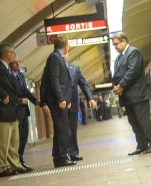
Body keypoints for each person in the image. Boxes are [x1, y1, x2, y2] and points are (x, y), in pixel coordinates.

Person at [112, 31, 151, 155]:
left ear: (124, 41)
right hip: (127, 96)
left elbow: (132, 72)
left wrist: (121, 86)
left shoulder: (133, 52)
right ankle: (141, 145)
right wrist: (115, 87)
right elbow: (116, 75)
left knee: (143, 120)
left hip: (138, 94)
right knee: (134, 122)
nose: (115, 47)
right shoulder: (118, 58)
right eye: (113, 45)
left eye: (117, 44)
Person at [0, 45, 28, 177]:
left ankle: (15, 164)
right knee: (3, 142)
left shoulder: (7, 69)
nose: (15, 56)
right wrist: (2, 95)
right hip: (2, 112)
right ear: (7, 54)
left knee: (13, 141)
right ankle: (3, 167)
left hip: (11, 111)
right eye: (13, 53)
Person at [41, 36, 75, 167]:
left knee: (61, 129)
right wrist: (61, 99)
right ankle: (62, 157)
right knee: (63, 129)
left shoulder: (57, 57)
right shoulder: (55, 58)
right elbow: (54, 80)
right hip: (57, 101)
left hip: (60, 100)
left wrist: (66, 99)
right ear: (65, 47)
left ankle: (58, 157)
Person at [65, 54, 96, 161]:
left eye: (65, 54)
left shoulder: (75, 69)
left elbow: (84, 84)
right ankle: (65, 154)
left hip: (73, 104)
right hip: (60, 105)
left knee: (73, 129)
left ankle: (73, 153)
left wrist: (90, 98)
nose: (64, 56)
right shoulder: (54, 69)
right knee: (64, 130)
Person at [10, 59, 38, 171]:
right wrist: (21, 100)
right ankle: (16, 162)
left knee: (24, 136)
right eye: (15, 62)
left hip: (24, 111)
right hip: (15, 111)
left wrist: (36, 101)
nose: (18, 64)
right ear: (9, 64)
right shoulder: (9, 77)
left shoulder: (20, 76)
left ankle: (20, 158)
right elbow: (9, 95)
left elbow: (26, 91)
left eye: (18, 62)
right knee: (16, 138)